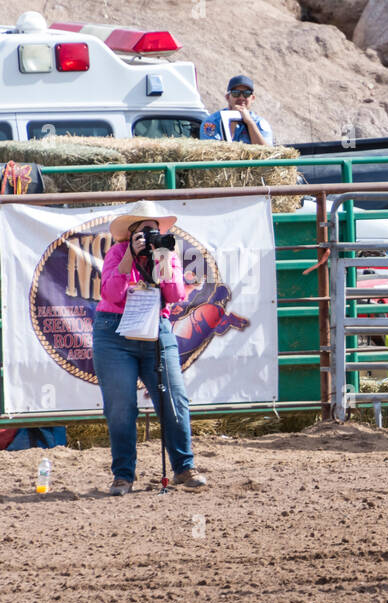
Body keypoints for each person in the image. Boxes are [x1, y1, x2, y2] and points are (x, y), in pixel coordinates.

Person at [92, 200, 207, 495]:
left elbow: (176, 295)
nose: (150, 236)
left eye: (154, 230)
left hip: (156, 329)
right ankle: (123, 475)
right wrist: (130, 256)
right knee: (121, 407)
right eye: (144, 231)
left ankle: (184, 468)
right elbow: (112, 295)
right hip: (115, 333)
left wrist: (165, 261)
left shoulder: (167, 255)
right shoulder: (117, 254)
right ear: (130, 234)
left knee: (174, 398)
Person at [200, 75, 273, 146]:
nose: (241, 97)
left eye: (246, 94)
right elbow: (214, 154)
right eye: (236, 93)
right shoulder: (212, 122)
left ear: (252, 98)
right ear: (228, 97)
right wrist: (232, 122)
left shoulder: (259, 123)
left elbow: (267, 153)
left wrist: (250, 123)